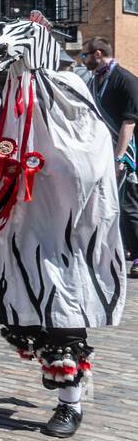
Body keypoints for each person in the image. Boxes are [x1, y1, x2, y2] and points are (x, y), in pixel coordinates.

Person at [0, 15, 126, 438]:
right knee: (24, 299)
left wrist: (45, 168)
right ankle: (54, 368)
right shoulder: (15, 93)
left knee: (62, 305)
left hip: (65, 225)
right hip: (23, 220)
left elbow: (91, 154)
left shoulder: (69, 90)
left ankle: (70, 403)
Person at [81, 37, 138, 277]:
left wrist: (119, 157)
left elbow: (129, 121)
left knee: (128, 206)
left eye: (85, 55)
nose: (82, 60)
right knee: (101, 204)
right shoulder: (94, 80)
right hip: (100, 151)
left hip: (124, 152)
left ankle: (136, 255)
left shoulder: (125, 80)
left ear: (97, 54)